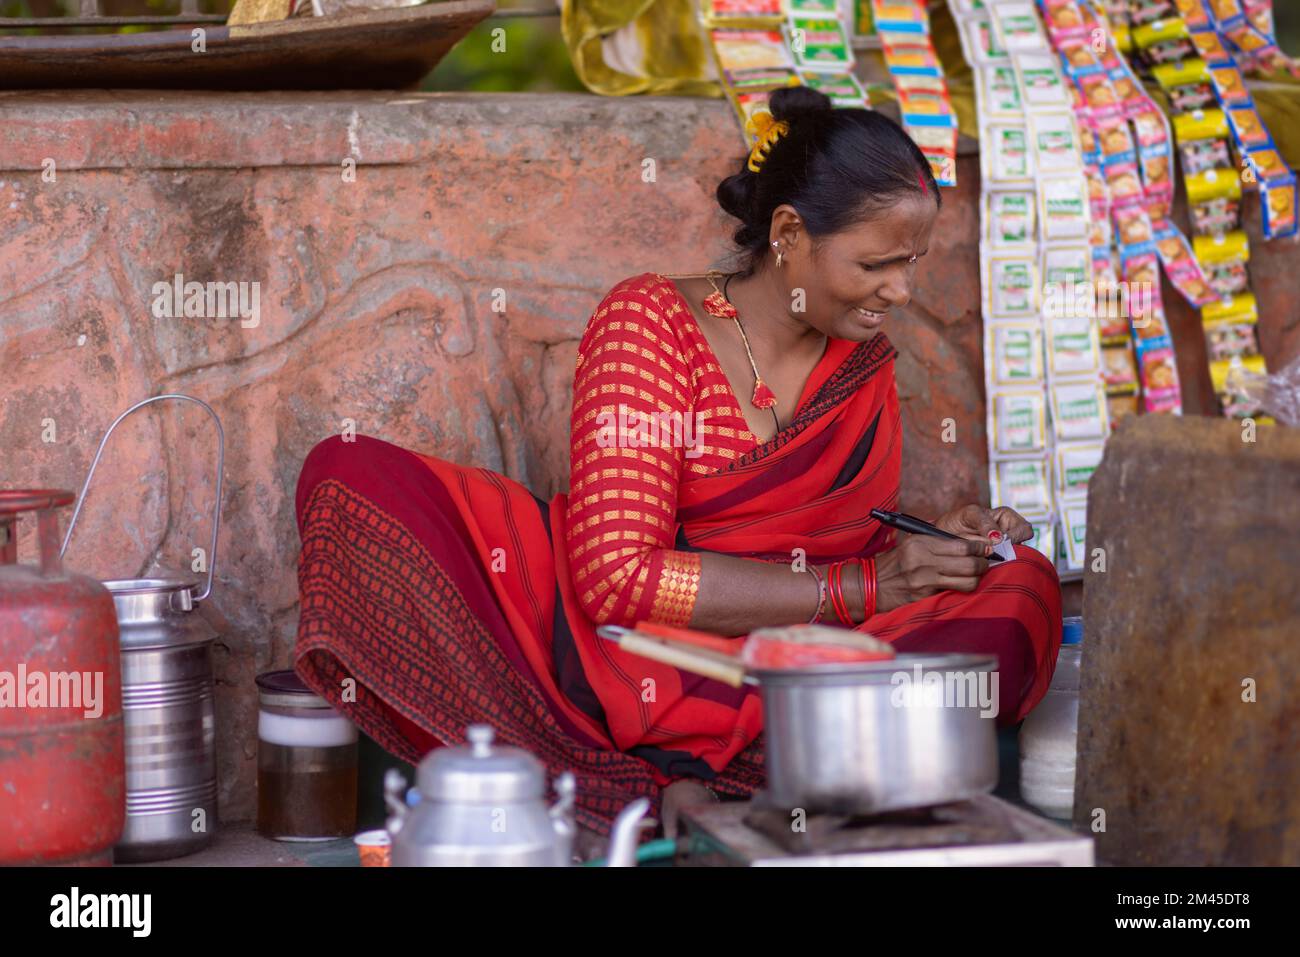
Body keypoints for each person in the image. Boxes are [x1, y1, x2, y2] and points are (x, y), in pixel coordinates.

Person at [293, 86, 1061, 840]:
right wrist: (859, 587)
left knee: (1018, 582)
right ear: (790, 234)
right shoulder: (653, 322)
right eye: (877, 265)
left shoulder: (864, 364)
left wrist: (936, 547)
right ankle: (682, 762)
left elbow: (845, 544)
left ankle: (702, 758)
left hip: (791, 641)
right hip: (631, 641)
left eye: (913, 262)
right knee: (350, 474)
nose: (900, 289)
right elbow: (614, 577)